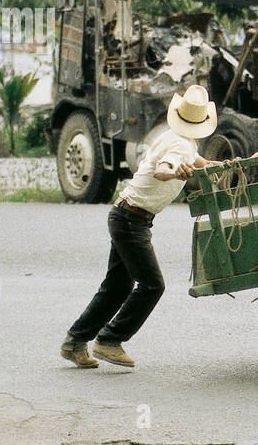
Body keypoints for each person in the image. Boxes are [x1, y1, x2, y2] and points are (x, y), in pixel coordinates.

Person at [60, 84, 224, 369]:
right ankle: (109, 340)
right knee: (152, 285)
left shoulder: (176, 138)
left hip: (126, 215)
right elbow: (163, 170)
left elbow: (202, 162)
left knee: (118, 285)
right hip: (131, 220)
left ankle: (74, 341)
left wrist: (229, 165)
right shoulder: (179, 145)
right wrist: (174, 172)